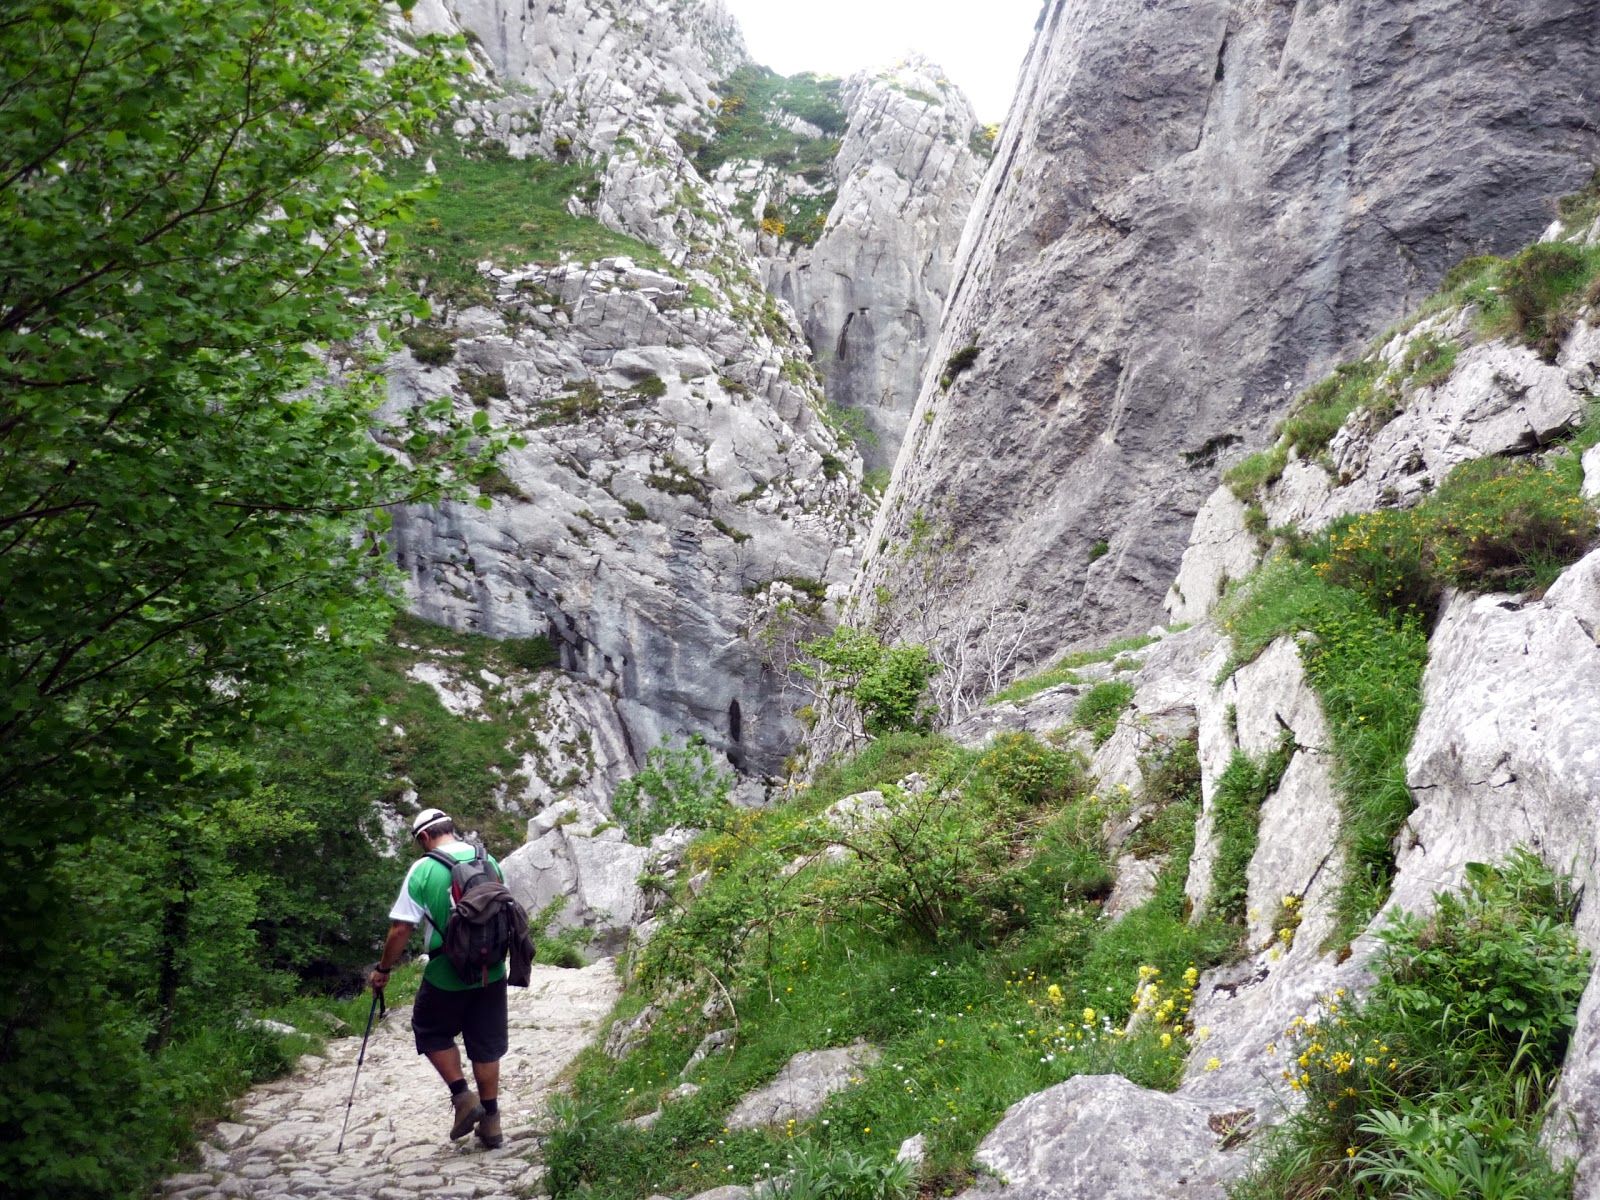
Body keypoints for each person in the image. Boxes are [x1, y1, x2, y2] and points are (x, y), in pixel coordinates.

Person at [370, 807, 509, 1148]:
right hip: (491, 970)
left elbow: (401, 929)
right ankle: (491, 1122)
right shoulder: (488, 859)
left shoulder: (423, 868)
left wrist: (384, 969)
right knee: (486, 1045)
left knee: (429, 1029)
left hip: (447, 971)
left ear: (424, 837)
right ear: (450, 828)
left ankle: (463, 1097)